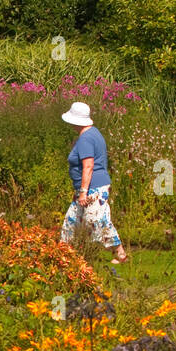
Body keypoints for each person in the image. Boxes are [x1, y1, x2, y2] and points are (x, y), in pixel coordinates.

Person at [60, 101, 128, 264]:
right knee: (72, 221)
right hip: (90, 188)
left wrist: (83, 191)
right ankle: (63, 255)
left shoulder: (86, 139)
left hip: (93, 188)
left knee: (97, 220)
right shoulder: (93, 133)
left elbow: (88, 166)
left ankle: (120, 254)